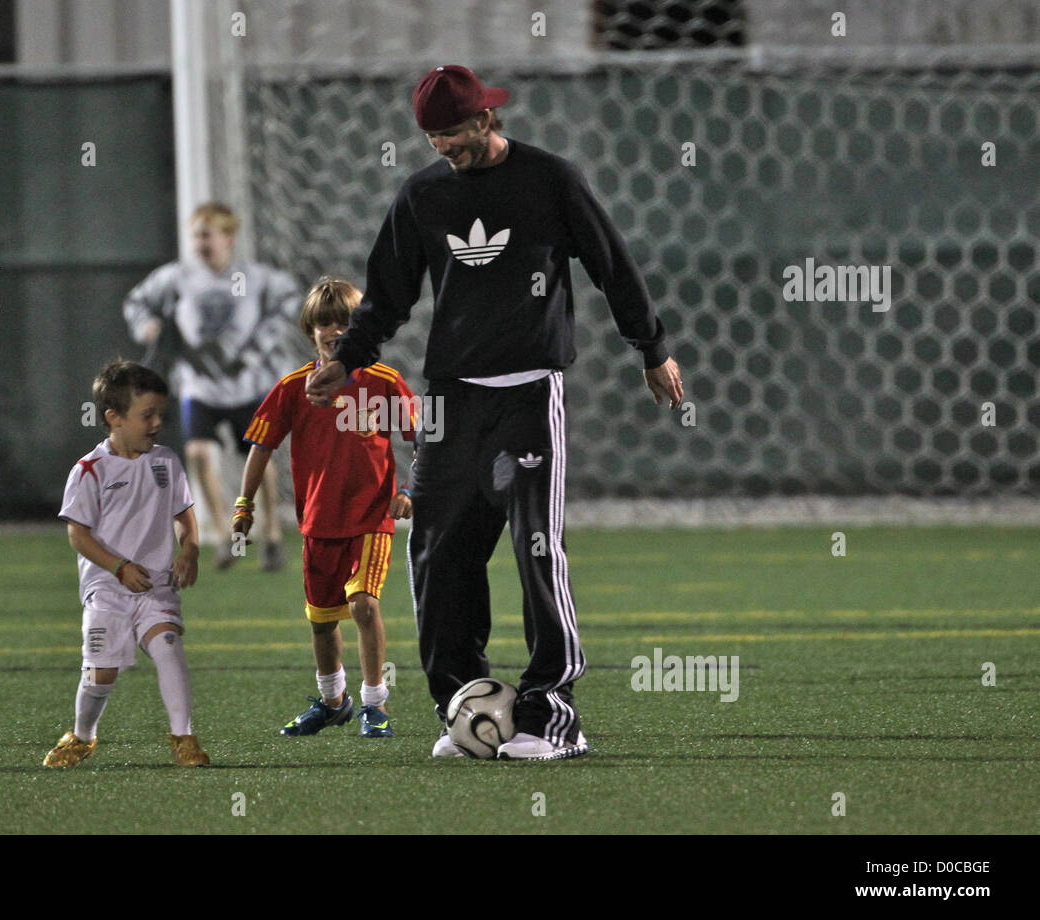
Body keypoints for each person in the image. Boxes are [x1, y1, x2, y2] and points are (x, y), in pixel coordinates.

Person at [305, 65, 685, 761]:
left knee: (536, 548)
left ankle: (551, 714)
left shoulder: (551, 180)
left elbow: (611, 263)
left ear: (486, 121)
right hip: (452, 398)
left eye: (452, 132)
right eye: (431, 136)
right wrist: (349, 360)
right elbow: (389, 294)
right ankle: (463, 703)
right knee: (440, 552)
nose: (442, 146)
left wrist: (651, 347)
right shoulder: (422, 195)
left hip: (530, 393)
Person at [234, 277, 415, 738]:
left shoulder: (384, 382)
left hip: (371, 517)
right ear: (309, 330)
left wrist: (411, 489)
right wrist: (245, 503)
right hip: (318, 521)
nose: (335, 331)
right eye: (324, 323)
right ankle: (333, 701)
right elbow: (261, 445)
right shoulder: (294, 386)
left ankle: (375, 704)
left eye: (346, 322)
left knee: (363, 605)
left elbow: (425, 437)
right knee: (320, 621)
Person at [44, 359, 208, 769]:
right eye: (146, 415)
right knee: (102, 674)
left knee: (169, 648)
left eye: (160, 415)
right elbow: (77, 535)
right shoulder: (89, 472)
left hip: (155, 585)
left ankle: (183, 737)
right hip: (107, 589)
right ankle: (82, 737)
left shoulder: (166, 462)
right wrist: (118, 567)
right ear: (113, 418)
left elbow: (185, 517)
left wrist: (190, 550)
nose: (156, 423)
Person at [124, 202, 301, 572]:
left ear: (229, 237)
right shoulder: (177, 277)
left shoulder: (255, 278)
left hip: (247, 384)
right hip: (199, 385)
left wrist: (263, 343)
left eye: (207, 235)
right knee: (200, 455)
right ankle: (225, 536)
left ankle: (269, 533)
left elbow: (290, 300)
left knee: (257, 460)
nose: (199, 243)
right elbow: (137, 302)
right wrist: (147, 328)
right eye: (195, 235)